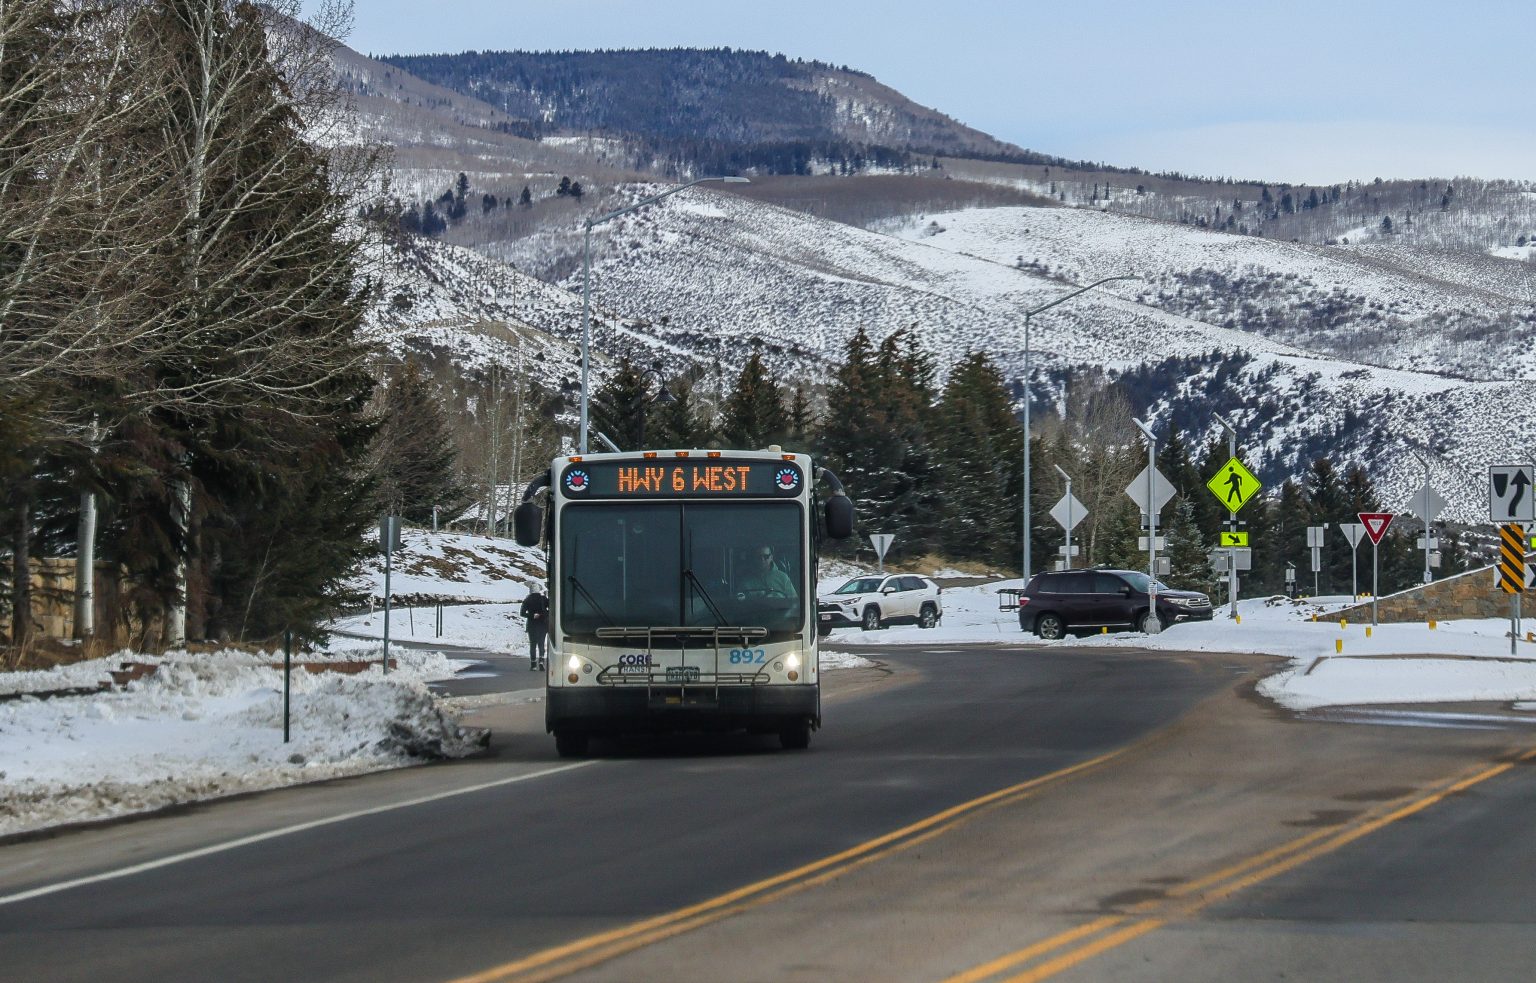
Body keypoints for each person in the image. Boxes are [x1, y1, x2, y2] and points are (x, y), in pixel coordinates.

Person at [520, 586, 549, 670]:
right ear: (538, 590)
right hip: (542, 624)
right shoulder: (543, 599)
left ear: (530, 590)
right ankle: (541, 661)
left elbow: (522, 613)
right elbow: (551, 606)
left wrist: (532, 615)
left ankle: (533, 664)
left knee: (533, 644)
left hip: (532, 625)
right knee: (541, 643)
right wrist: (544, 614)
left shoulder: (527, 599)